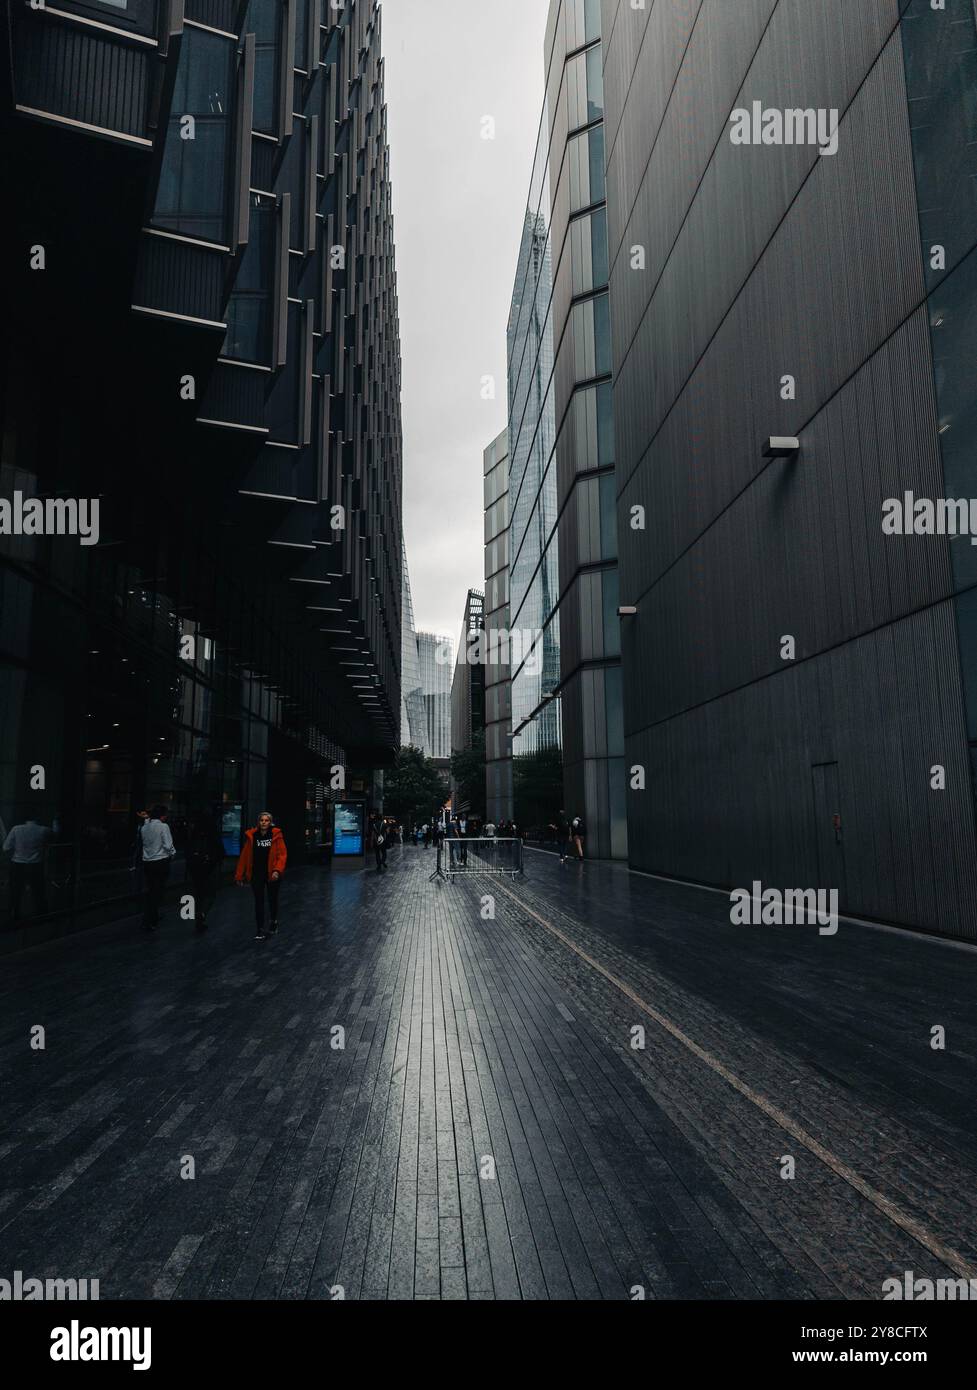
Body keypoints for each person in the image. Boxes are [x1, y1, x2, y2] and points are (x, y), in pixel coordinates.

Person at [235, 811, 287, 941]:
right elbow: (244, 857)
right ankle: (259, 929)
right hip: (256, 874)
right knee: (258, 901)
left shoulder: (276, 835)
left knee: (272, 899)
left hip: (272, 874)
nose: (264, 822)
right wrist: (239, 875)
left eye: (266, 820)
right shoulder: (252, 836)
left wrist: (277, 870)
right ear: (258, 822)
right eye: (262, 820)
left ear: (270, 822)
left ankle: (273, 921)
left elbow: (282, 855)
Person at [3, 817, 53, 920]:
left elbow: (6, 847)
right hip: (36, 864)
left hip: (18, 863)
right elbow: (54, 838)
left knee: (16, 891)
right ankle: (42, 914)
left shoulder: (16, 829)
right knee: (38, 891)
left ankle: (14, 914)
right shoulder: (44, 830)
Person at [140, 805, 176, 931]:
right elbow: (168, 844)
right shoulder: (163, 826)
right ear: (162, 816)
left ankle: (149, 917)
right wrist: (172, 853)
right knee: (158, 890)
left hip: (147, 862)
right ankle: (151, 918)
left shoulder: (144, 827)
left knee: (150, 889)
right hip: (161, 861)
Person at [187, 812, 224, 931]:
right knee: (210, 893)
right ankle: (202, 914)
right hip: (210, 866)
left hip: (195, 867)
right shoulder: (213, 833)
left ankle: (198, 914)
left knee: (199, 892)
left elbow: (188, 850)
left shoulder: (194, 833)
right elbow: (220, 850)